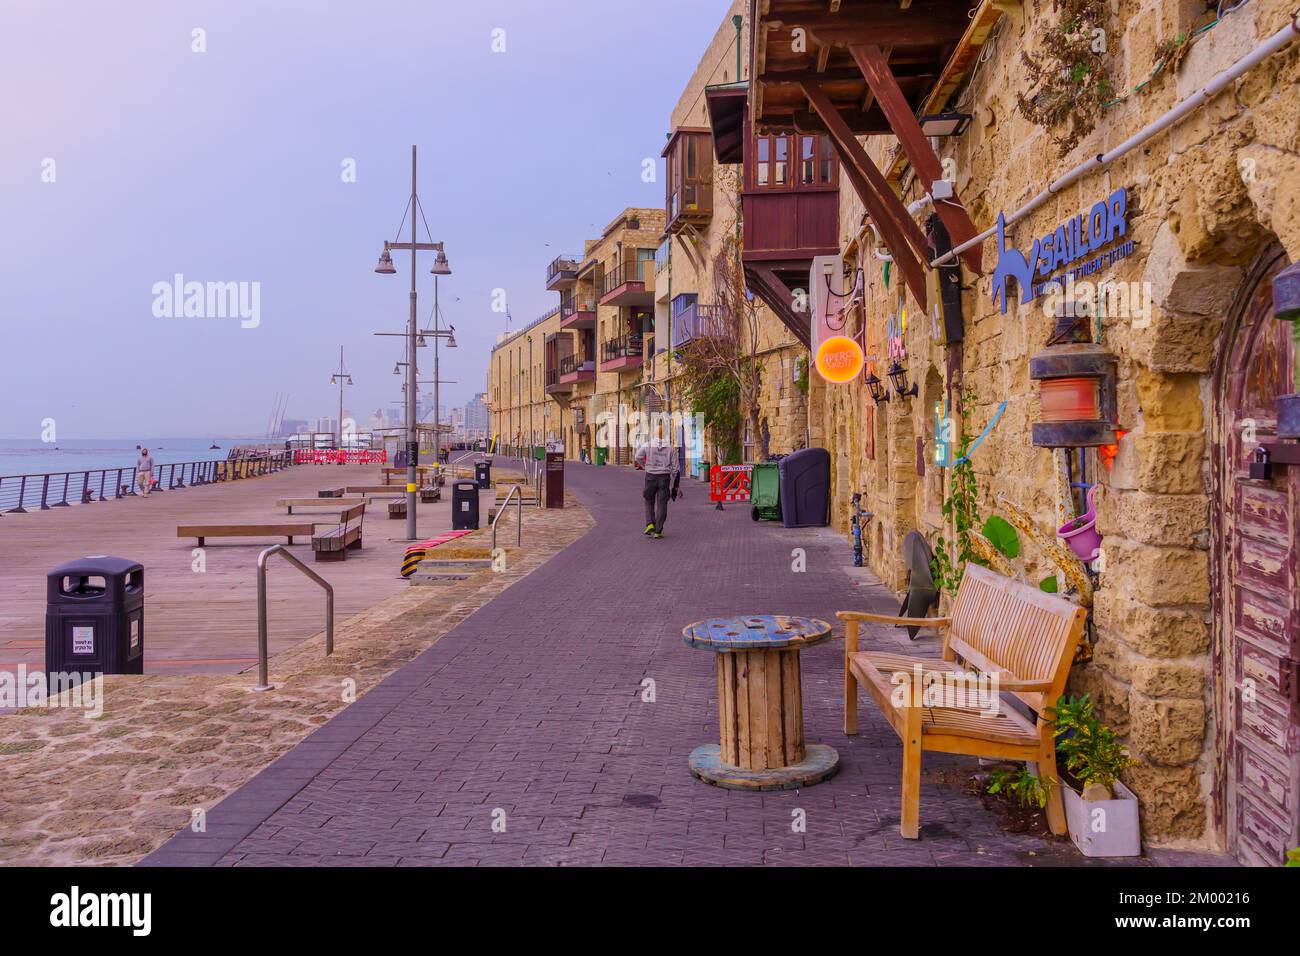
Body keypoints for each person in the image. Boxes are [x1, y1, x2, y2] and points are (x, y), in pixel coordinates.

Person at [634, 430, 680, 539]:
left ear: (654, 434)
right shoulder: (671, 448)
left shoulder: (648, 445)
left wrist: (645, 466)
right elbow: (676, 468)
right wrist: (675, 482)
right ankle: (658, 531)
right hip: (664, 477)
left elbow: (637, 456)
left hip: (650, 476)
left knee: (649, 500)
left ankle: (650, 523)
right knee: (662, 504)